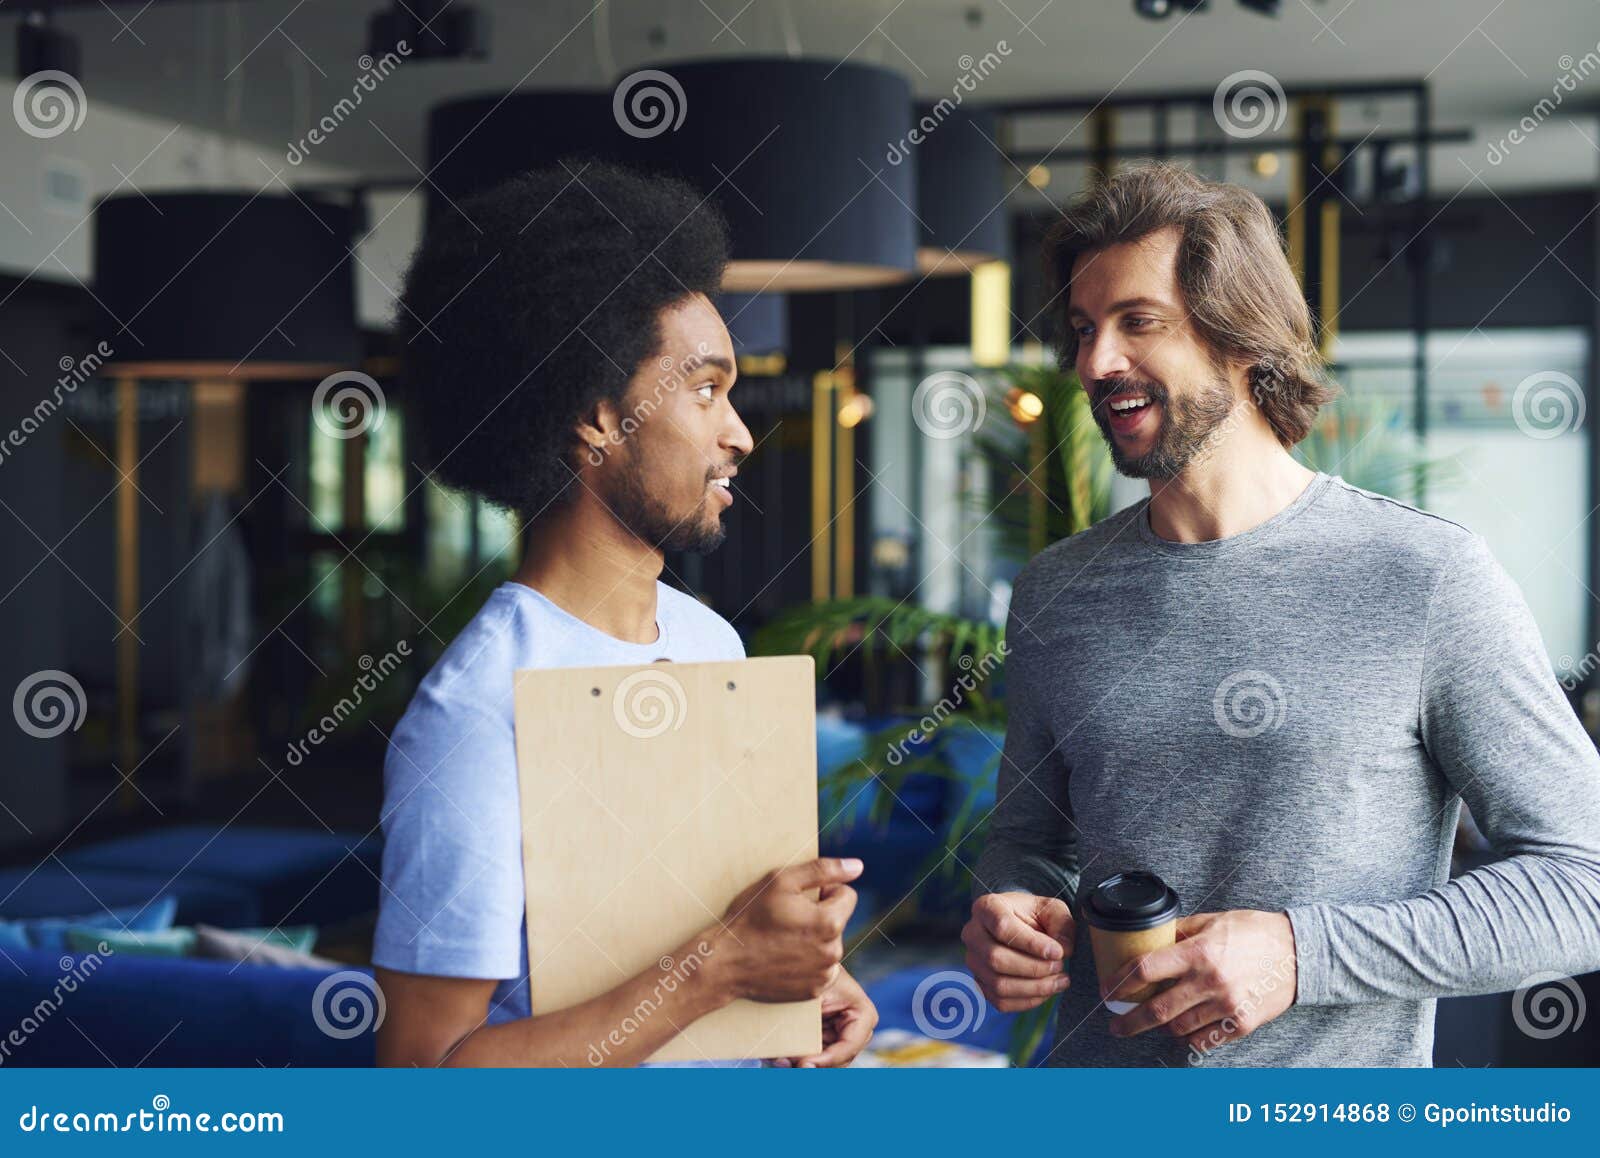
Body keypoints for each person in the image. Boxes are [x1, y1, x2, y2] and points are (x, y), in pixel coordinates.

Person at [964, 162, 1600, 1066]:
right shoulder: (1057, 592)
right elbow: (1031, 841)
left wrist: (1305, 955)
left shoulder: (1424, 577)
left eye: (1138, 322)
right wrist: (1010, 910)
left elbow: (1584, 882)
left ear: (1242, 335)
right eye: (1081, 330)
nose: (1095, 364)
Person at [373, 162, 876, 1067]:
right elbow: (424, 1079)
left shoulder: (709, 643)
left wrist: (801, 982)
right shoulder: (477, 712)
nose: (740, 432)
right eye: (704, 389)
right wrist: (718, 972)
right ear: (600, 417)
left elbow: (715, 928)